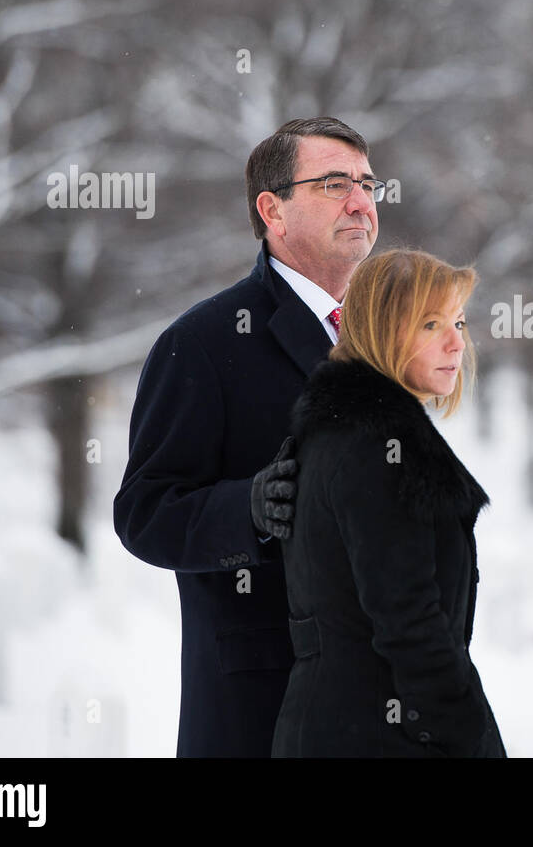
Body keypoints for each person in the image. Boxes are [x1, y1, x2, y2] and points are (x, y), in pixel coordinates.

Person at [113, 117, 384, 757]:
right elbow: (143, 514)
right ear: (273, 210)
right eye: (335, 183)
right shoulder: (202, 344)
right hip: (261, 704)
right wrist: (250, 510)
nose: (362, 201)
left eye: (369, 183)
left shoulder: (386, 339)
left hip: (383, 702)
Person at [272, 249, 506, 757]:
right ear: (383, 330)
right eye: (430, 324)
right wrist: (462, 730)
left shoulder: (339, 432)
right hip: (377, 734)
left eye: (459, 322)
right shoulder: (379, 447)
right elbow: (406, 619)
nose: (455, 342)